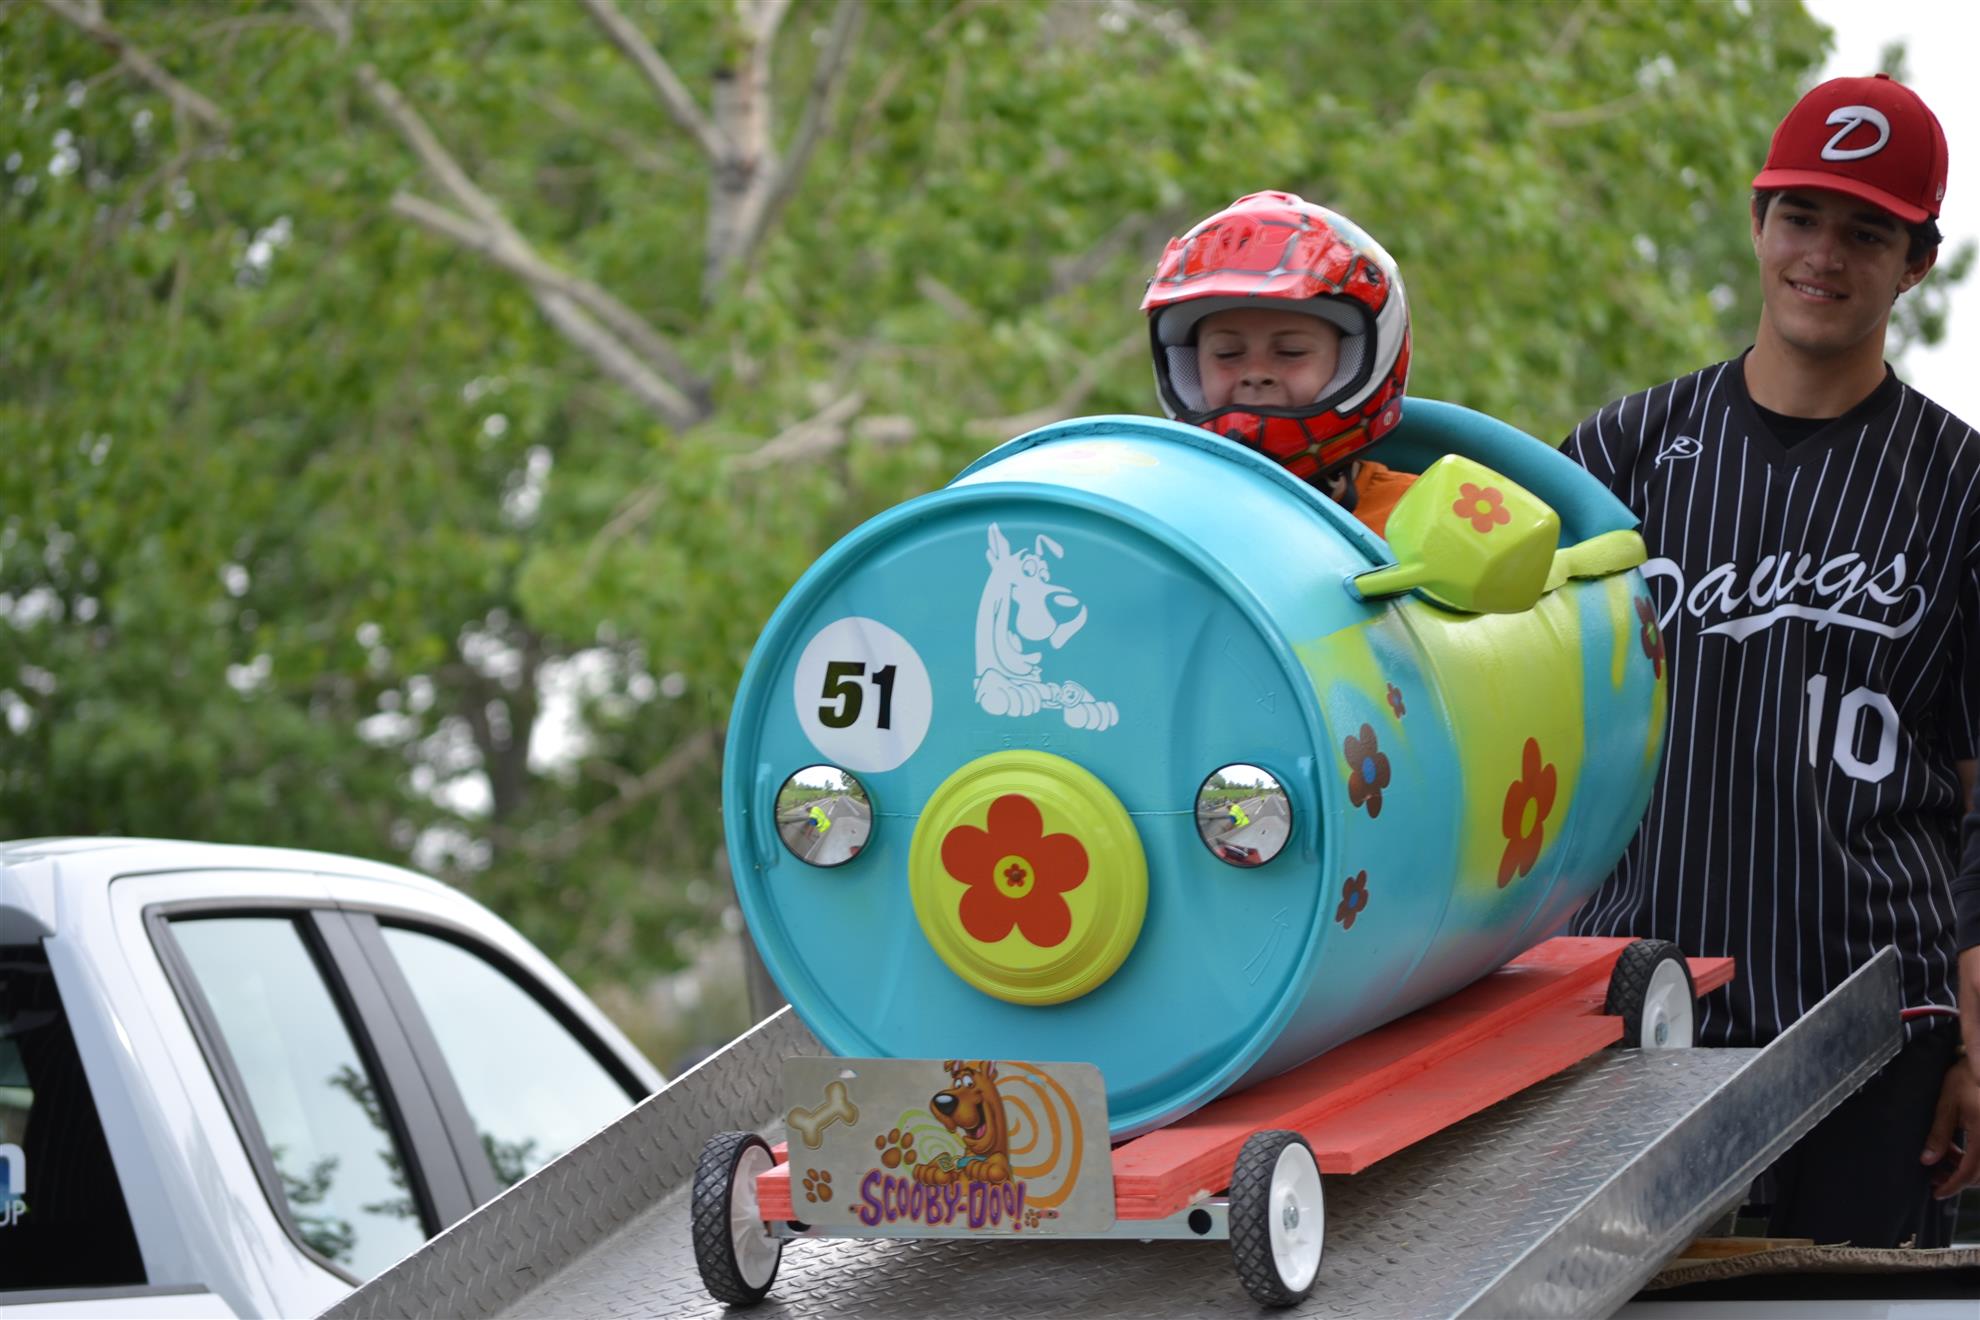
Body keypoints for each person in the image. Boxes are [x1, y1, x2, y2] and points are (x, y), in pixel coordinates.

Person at [1561, 73, 1980, 1245]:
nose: (1824, 255)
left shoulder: (1961, 488)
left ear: (1916, 263)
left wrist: (1978, 1053)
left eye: (1867, 231)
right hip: (1635, 1006)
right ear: (1758, 225)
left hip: (1877, 1018)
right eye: (1801, 217)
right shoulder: (1622, 450)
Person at [1141, 191, 1417, 536]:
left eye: (1291, 352)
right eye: (1227, 353)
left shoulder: (1426, 519)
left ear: (1352, 360)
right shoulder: (1148, 510)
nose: (1256, 374)